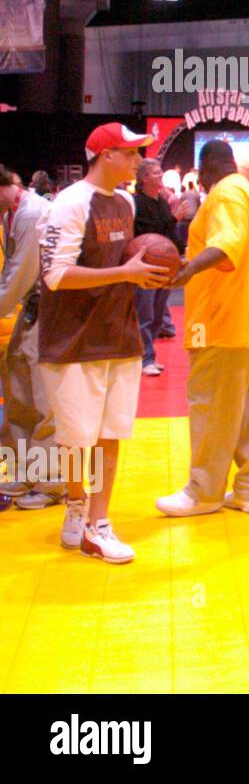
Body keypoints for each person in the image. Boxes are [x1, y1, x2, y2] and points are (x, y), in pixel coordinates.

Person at [38, 123, 170, 562]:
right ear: (107, 155)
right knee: (78, 438)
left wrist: (160, 265)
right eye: (131, 154)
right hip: (73, 338)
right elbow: (55, 276)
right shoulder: (69, 204)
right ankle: (76, 507)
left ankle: (98, 522)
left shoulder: (127, 201)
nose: (138, 162)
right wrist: (125, 275)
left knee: (111, 433)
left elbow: (128, 260)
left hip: (118, 331)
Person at [156, 138, 249, 516]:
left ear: (205, 167)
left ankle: (203, 492)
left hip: (223, 321)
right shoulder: (247, 192)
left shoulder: (226, 193)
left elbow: (226, 246)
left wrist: (187, 268)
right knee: (243, 413)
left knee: (210, 406)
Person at [0, 162, 62, 508]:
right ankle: (26, 472)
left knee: (42, 401)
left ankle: (53, 483)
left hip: (49, 310)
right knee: (19, 395)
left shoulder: (31, 213)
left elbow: (18, 278)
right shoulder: (11, 212)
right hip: (30, 309)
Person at [133, 157, 179, 376]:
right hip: (145, 266)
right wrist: (174, 219)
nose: (161, 175)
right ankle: (144, 359)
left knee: (158, 314)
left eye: (161, 172)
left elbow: (168, 234)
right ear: (143, 178)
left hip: (163, 266)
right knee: (145, 314)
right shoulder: (136, 202)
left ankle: (150, 355)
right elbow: (147, 231)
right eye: (155, 173)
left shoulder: (161, 201)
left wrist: (182, 254)